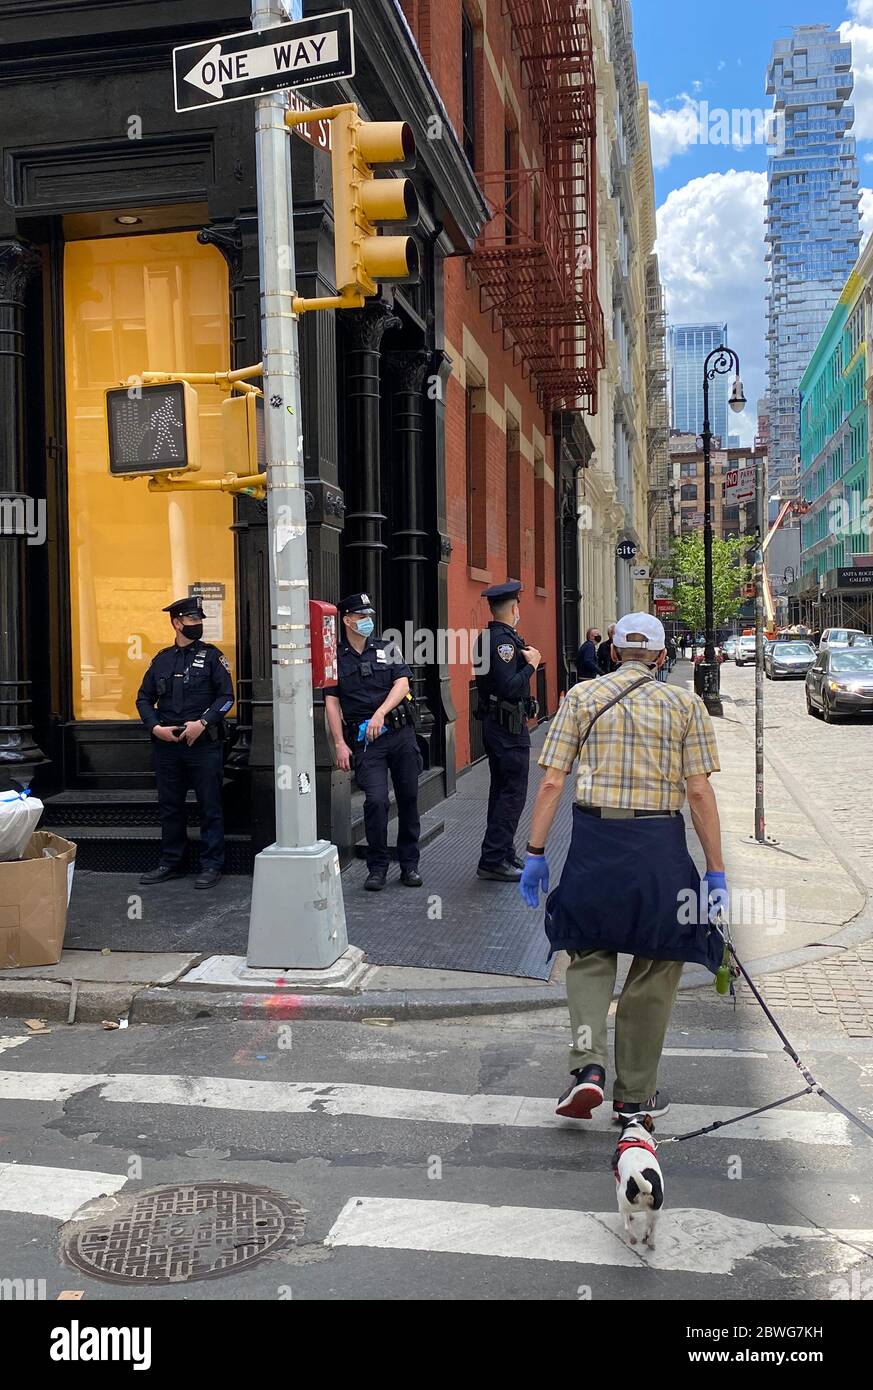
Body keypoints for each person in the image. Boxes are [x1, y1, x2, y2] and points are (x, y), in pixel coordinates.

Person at [519, 612, 726, 1122]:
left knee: (587, 952)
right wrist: (716, 871)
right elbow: (698, 792)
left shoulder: (581, 698)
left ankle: (588, 1069)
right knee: (657, 962)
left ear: (612, 651)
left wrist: (535, 853)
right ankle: (635, 1095)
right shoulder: (685, 703)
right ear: (660, 656)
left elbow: (550, 783)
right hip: (658, 846)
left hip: (595, 842)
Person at [323, 594, 422, 892]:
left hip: (399, 733)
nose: (368, 619)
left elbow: (403, 683)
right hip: (367, 741)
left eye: (370, 613)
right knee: (376, 801)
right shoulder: (335, 657)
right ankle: (377, 867)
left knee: (408, 798)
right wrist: (339, 743)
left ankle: (409, 864)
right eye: (362, 614)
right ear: (347, 620)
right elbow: (331, 702)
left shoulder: (387, 647)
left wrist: (381, 712)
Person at [136, 597, 234, 890]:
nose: (198, 626)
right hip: (168, 745)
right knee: (170, 806)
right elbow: (143, 698)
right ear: (177, 623)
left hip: (203, 744)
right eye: (192, 621)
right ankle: (171, 862)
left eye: (199, 620)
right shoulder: (161, 659)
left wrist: (202, 723)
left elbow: (226, 696)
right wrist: (155, 728)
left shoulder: (213, 657)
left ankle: (212, 864)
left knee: (210, 806)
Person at [473, 580, 541, 883]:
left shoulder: (492, 637)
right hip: (506, 728)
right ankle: (493, 859)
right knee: (511, 794)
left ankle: (501, 852)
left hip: (500, 724)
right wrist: (532, 666)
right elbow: (507, 686)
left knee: (502, 792)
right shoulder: (501, 642)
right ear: (513, 608)